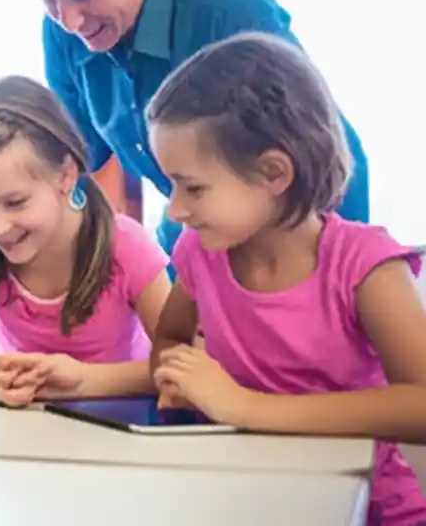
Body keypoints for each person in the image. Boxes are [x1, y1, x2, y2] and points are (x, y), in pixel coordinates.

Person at [17, 0, 369, 253]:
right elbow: (75, 162)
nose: (68, 20)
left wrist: (334, 276)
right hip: (194, 234)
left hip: (297, 228)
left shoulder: (230, 6)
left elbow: (316, 153)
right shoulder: (64, 33)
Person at [148, 32, 426, 526]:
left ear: (273, 173)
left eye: (193, 187)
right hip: (246, 493)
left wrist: (247, 408)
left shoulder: (365, 266)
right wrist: (179, 382)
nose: (175, 209)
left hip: (367, 506)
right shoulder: (198, 253)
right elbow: (169, 338)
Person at [0, 76, 170, 405]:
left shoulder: (126, 247)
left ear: (65, 175)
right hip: (28, 433)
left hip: (119, 432)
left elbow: (179, 364)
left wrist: (83, 381)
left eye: (16, 202)